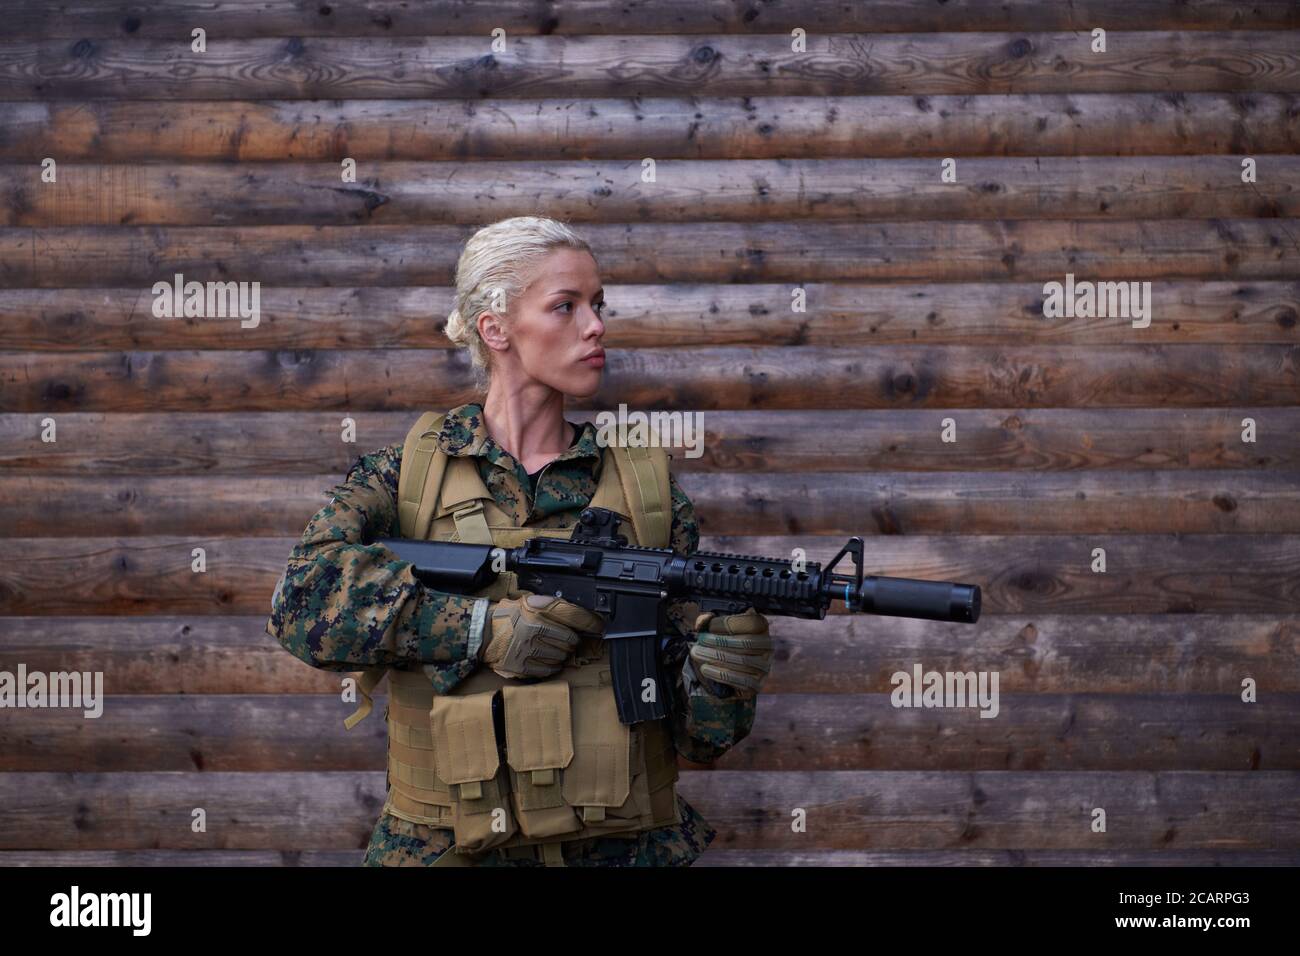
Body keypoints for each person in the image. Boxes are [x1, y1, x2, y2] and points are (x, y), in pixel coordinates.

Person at [266, 216, 774, 866]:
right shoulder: (406, 476)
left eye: (598, 305)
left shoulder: (643, 489)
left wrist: (723, 678)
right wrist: (480, 629)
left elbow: (698, 740)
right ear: (496, 328)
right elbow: (300, 603)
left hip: (618, 849)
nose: (595, 326)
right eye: (566, 306)